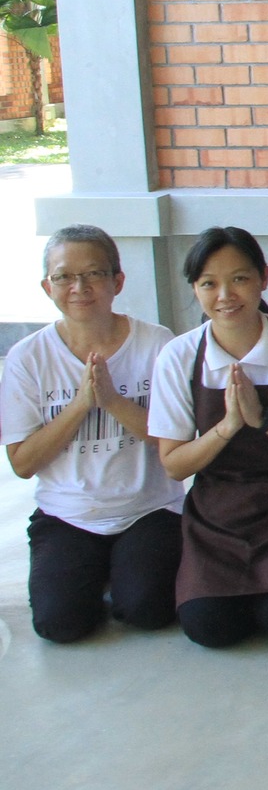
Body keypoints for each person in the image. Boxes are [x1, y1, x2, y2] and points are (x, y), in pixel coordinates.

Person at [150, 228, 268, 647]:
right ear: (195, 289)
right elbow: (174, 464)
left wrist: (264, 419)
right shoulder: (178, 357)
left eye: (239, 279)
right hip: (218, 512)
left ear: (263, 277)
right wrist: (227, 426)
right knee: (210, 627)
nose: (225, 295)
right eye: (209, 284)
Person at [3, 226, 181, 643]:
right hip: (67, 514)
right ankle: (93, 572)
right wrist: (81, 404)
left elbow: (178, 443)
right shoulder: (28, 357)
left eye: (94, 274)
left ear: (117, 281)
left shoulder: (157, 343)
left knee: (148, 611)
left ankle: (120, 571)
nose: (79, 287)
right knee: (60, 624)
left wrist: (113, 402)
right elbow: (22, 464)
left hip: (149, 508)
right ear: (47, 286)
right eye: (64, 276)